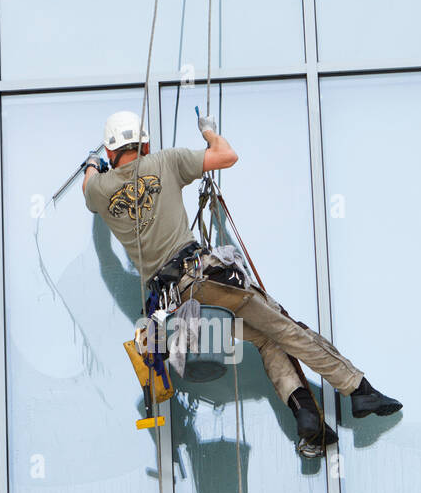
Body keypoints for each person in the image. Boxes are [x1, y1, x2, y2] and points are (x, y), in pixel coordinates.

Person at [81, 109, 400, 454]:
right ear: (143, 142)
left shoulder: (99, 191)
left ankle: (308, 420)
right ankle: (358, 389)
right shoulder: (165, 161)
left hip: (177, 308)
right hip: (207, 280)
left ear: (112, 152)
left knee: (267, 340)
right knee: (287, 329)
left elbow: (99, 233)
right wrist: (209, 134)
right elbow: (226, 156)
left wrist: (92, 165)